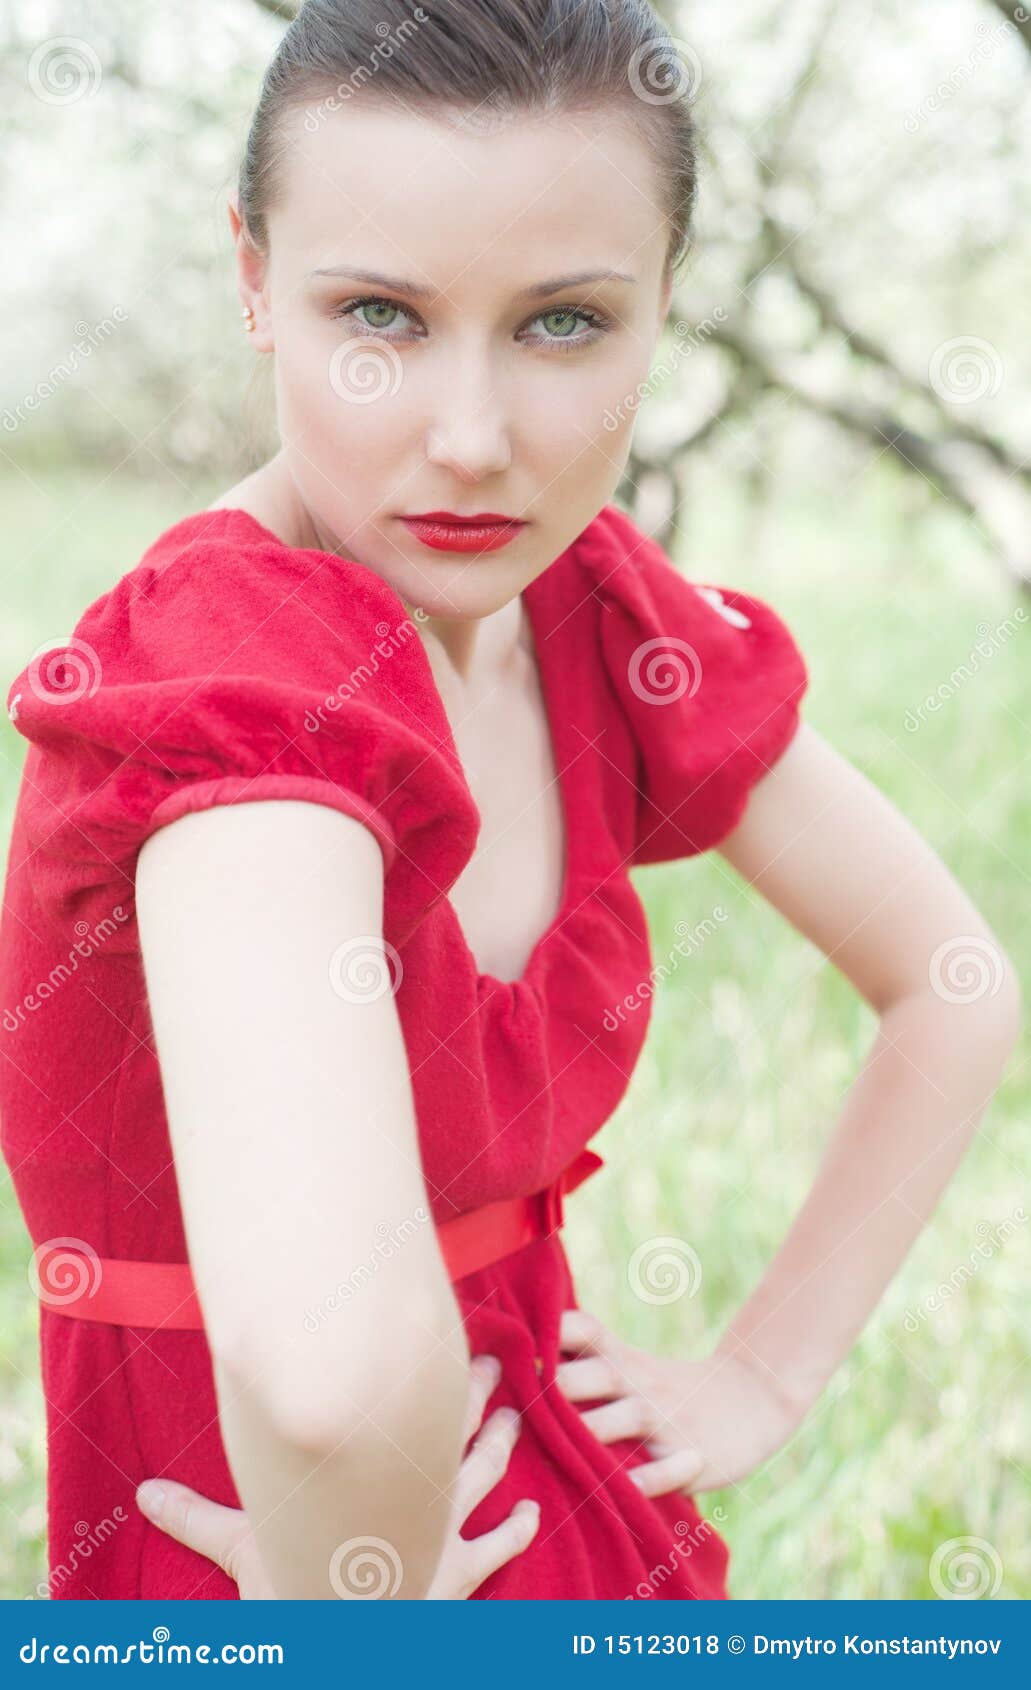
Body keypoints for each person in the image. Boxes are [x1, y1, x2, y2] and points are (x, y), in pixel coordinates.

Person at [0, 0, 1020, 1601]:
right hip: (287, 1577)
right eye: (379, 316)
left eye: (562, 324)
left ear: (667, 302)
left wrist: (759, 1374)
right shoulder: (236, 678)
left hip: (550, 1508)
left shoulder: (597, 614)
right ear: (254, 280)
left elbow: (953, 990)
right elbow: (331, 1382)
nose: (470, 442)